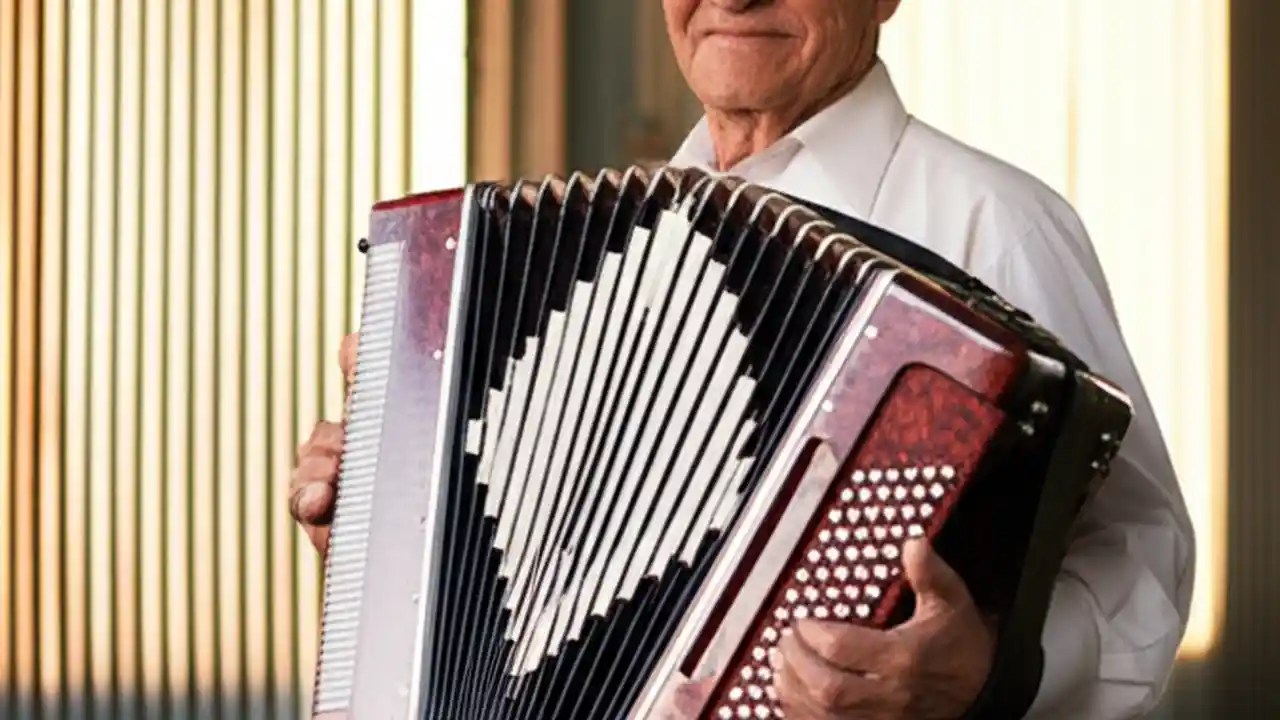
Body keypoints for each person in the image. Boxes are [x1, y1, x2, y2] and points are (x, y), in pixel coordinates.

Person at [291, 1, 1194, 717]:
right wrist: (387, 531)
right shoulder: (616, 241)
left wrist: (990, 674)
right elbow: (561, 574)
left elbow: (1143, 557)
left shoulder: (993, 223)